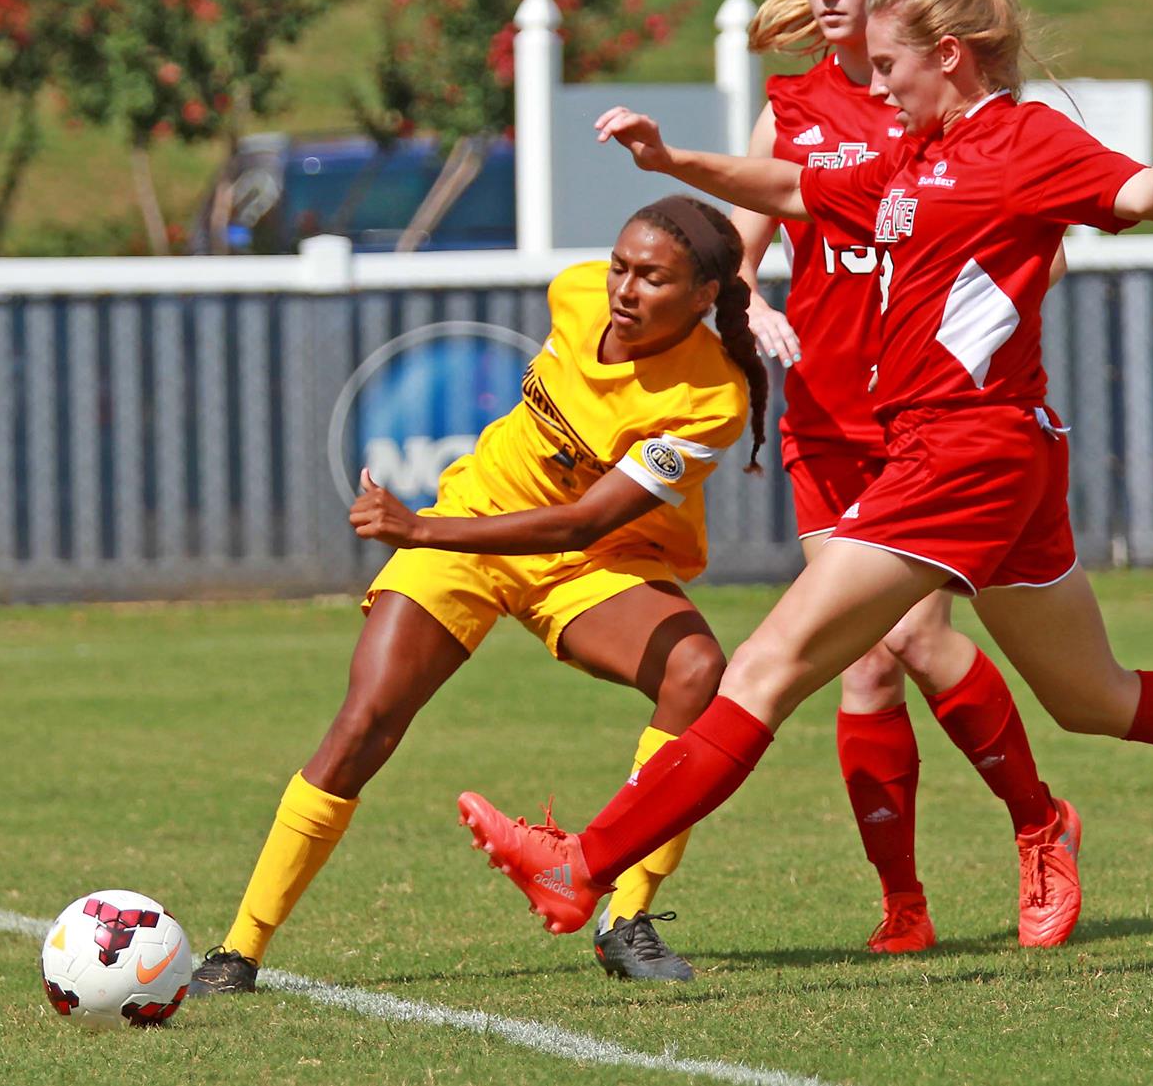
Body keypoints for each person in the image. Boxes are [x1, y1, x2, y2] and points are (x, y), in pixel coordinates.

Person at [456, 0, 1153, 944]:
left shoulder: (1022, 140)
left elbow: (1146, 194)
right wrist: (670, 158)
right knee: (1090, 696)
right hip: (993, 449)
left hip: (963, 450)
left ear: (948, 56)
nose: (881, 82)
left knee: (769, 666)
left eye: (894, 62)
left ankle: (580, 866)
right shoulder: (911, 152)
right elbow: (787, 185)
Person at [189, 195, 764, 990]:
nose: (625, 290)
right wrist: (436, 531)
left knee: (696, 670)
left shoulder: (711, 400)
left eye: (653, 278)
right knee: (364, 723)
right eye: (621, 267)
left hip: (581, 552)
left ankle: (623, 915)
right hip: (477, 518)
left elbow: (581, 522)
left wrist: (419, 529)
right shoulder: (574, 293)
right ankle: (239, 947)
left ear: (704, 294)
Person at [734, 0, 1080, 953]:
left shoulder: (939, 102)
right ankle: (904, 903)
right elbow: (739, 244)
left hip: (923, 425)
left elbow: (1038, 242)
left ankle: (1037, 821)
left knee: (910, 642)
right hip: (824, 422)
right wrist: (749, 302)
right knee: (863, 669)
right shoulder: (794, 107)